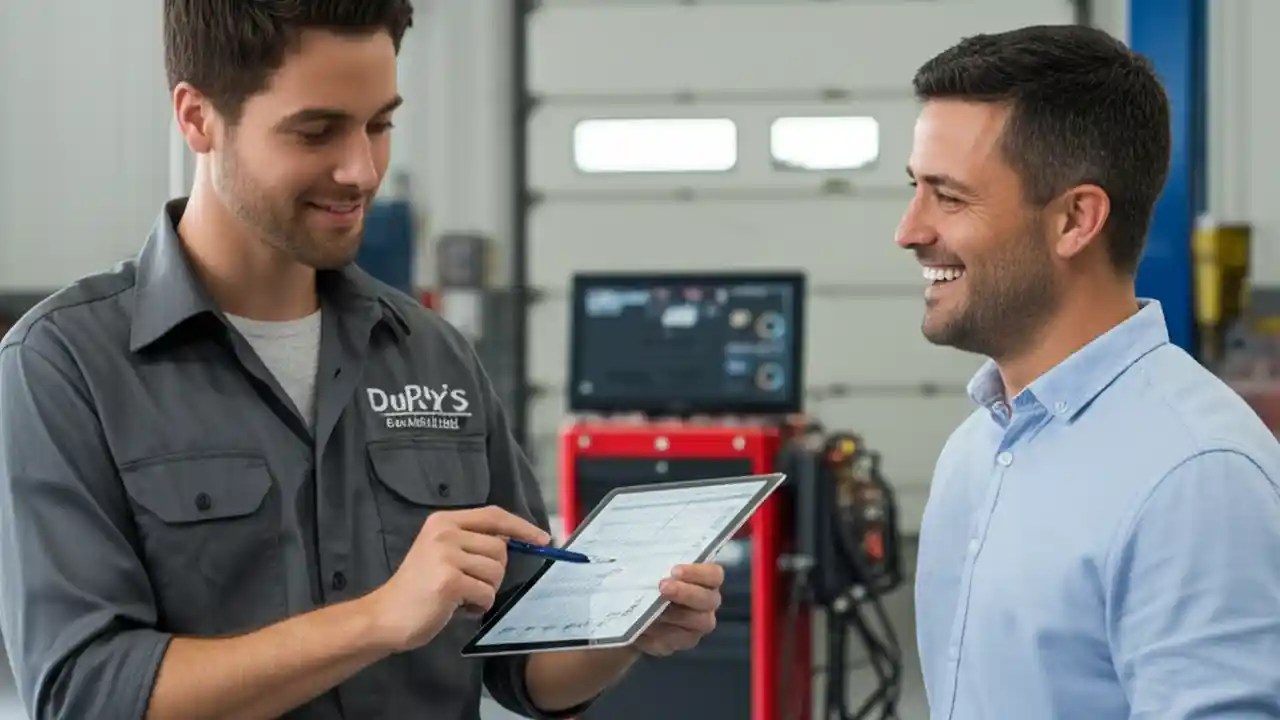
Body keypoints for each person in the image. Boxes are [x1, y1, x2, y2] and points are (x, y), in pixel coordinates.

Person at [0, 2, 725, 718]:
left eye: (380, 125)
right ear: (197, 118)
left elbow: (519, 662)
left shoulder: (432, 355)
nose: (361, 171)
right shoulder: (63, 368)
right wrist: (377, 620)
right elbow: (86, 695)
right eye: (316, 132)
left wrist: (622, 631)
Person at [898, 24, 1280, 720]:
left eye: (949, 197)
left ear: (1076, 219)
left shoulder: (1195, 478)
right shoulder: (975, 453)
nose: (910, 229)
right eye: (914, 188)